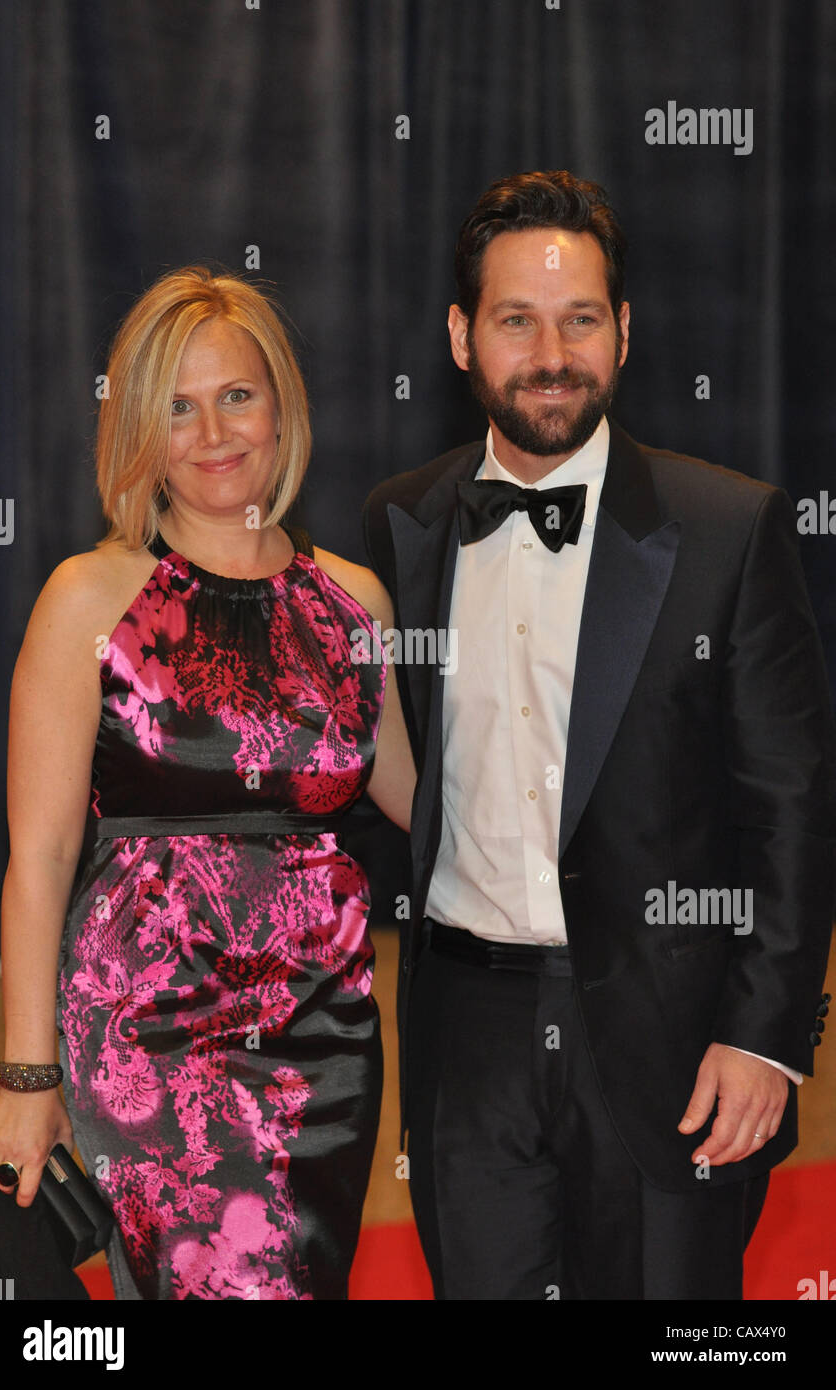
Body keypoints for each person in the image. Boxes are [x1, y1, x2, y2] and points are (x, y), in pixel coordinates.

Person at [362, 170, 836, 1300]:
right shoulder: (402, 523)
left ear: (622, 333)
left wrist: (764, 1037)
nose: (550, 352)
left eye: (579, 319)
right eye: (515, 319)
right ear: (459, 336)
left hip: (671, 1039)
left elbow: (791, 800)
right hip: (464, 1036)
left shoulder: (727, 526)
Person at [0, 265, 416, 1300]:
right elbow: (37, 861)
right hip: (149, 1032)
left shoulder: (352, 601)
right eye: (177, 406)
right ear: (138, 429)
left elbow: (418, 798)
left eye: (236, 395)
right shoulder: (87, 597)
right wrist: (27, 1078)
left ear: (280, 408)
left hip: (327, 1037)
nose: (212, 432)